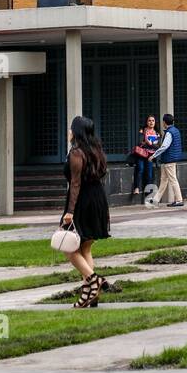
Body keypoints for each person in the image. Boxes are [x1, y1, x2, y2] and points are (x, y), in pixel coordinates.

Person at [61, 115, 111, 307]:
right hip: (97, 199)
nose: (69, 132)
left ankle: (93, 279)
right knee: (85, 247)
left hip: (82, 201)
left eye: (71, 128)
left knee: (68, 246)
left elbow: (75, 183)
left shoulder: (76, 153)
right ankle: (91, 294)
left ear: (77, 132)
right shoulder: (96, 150)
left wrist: (70, 212)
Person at [148, 112, 184, 208]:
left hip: (169, 160)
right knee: (164, 181)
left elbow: (164, 146)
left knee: (172, 180)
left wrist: (154, 155)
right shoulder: (175, 130)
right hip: (169, 160)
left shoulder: (169, 133)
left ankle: (179, 200)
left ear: (164, 122)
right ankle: (155, 200)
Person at [132, 114, 159, 199]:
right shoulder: (142, 131)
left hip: (150, 156)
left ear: (155, 122)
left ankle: (148, 193)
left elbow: (157, 146)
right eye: (149, 120)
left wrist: (147, 142)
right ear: (146, 122)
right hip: (142, 154)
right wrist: (147, 142)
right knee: (140, 169)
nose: (151, 122)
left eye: (153, 120)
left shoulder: (157, 133)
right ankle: (136, 187)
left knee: (149, 174)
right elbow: (139, 143)